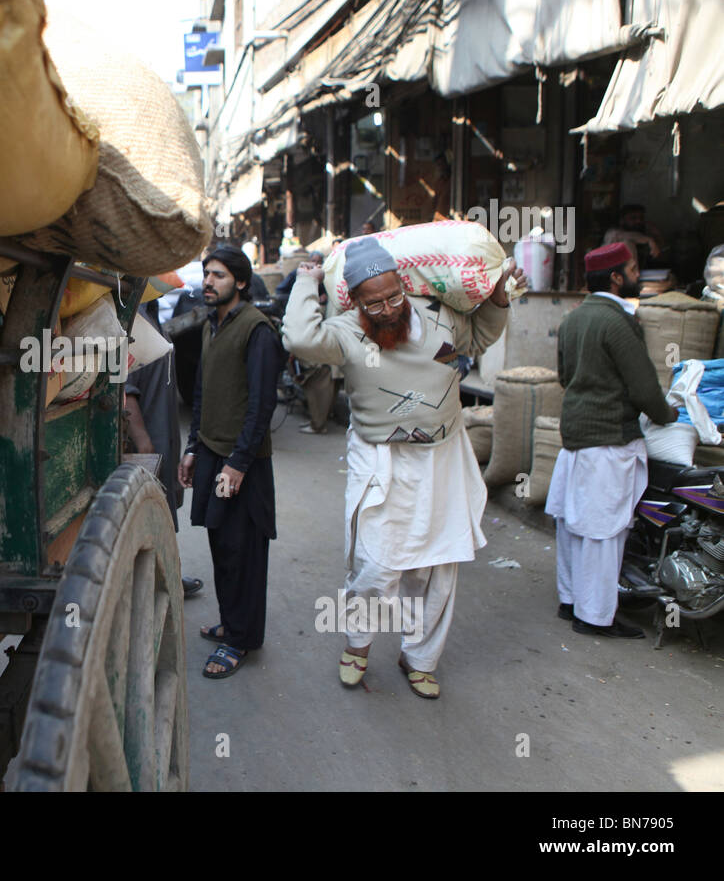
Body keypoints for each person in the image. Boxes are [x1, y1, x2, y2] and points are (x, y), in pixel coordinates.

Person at [282, 238, 522, 698]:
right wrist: (305, 282)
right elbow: (298, 339)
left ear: (404, 287)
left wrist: (498, 298)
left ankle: (420, 658)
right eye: (375, 303)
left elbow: (483, 336)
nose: (389, 310)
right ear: (355, 300)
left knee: (437, 566)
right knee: (374, 563)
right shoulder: (346, 332)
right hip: (380, 459)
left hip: (443, 457)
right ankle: (357, 645)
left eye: (394, 297)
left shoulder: (438, 316)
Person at [546, 242, 679, 639]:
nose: (640, 276)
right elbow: (643, 388)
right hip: (609, 439)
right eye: (635, 269)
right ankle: (596, 616)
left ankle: (570, 602)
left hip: (575, 438)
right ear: (617, 278)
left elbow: (565, 376)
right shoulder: (619, 322)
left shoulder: (572, 321)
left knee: (572, 523)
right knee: (605, 531)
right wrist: (667, 415)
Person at [179, 247, 280, 679]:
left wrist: (237, 464)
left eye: (218, 275)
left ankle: (240, 639)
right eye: (205, 274)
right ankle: (231, 624)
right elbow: (201, 393)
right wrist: (192, 447)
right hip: (212, 453)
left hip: (243, 462)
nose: (207, 281)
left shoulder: (257, 331)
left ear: (240, 282)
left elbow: (261, 405)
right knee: (221, 545)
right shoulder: (211, 325)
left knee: (244, 551)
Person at [124, 299, 202, 598]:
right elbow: (127, 392)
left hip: (163, 433)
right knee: (150, 513)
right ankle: (160, 578)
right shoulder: (133, 318)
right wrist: (144, 445)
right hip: (149, 439)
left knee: (163, 510)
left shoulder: (150, 312)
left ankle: (168, 572)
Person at [275, 253, 336, 434]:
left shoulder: (327, 280)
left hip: (322, 341)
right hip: (308, 339)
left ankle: (319, 422)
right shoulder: (297, 277)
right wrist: (304, 285)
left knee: (322, 385)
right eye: (313, 262)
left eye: (319, 263)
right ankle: (317, 421)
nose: (316, 266)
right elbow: (281, 292)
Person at [604, 204, 666, 269]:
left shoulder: (643, 235)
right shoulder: (612, 233)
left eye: (641, 218)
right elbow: (625, 236)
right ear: (622, 220)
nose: (638, 221)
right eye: (633, 218)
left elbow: (659, 256)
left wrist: (657, 235)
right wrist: (649, 240)